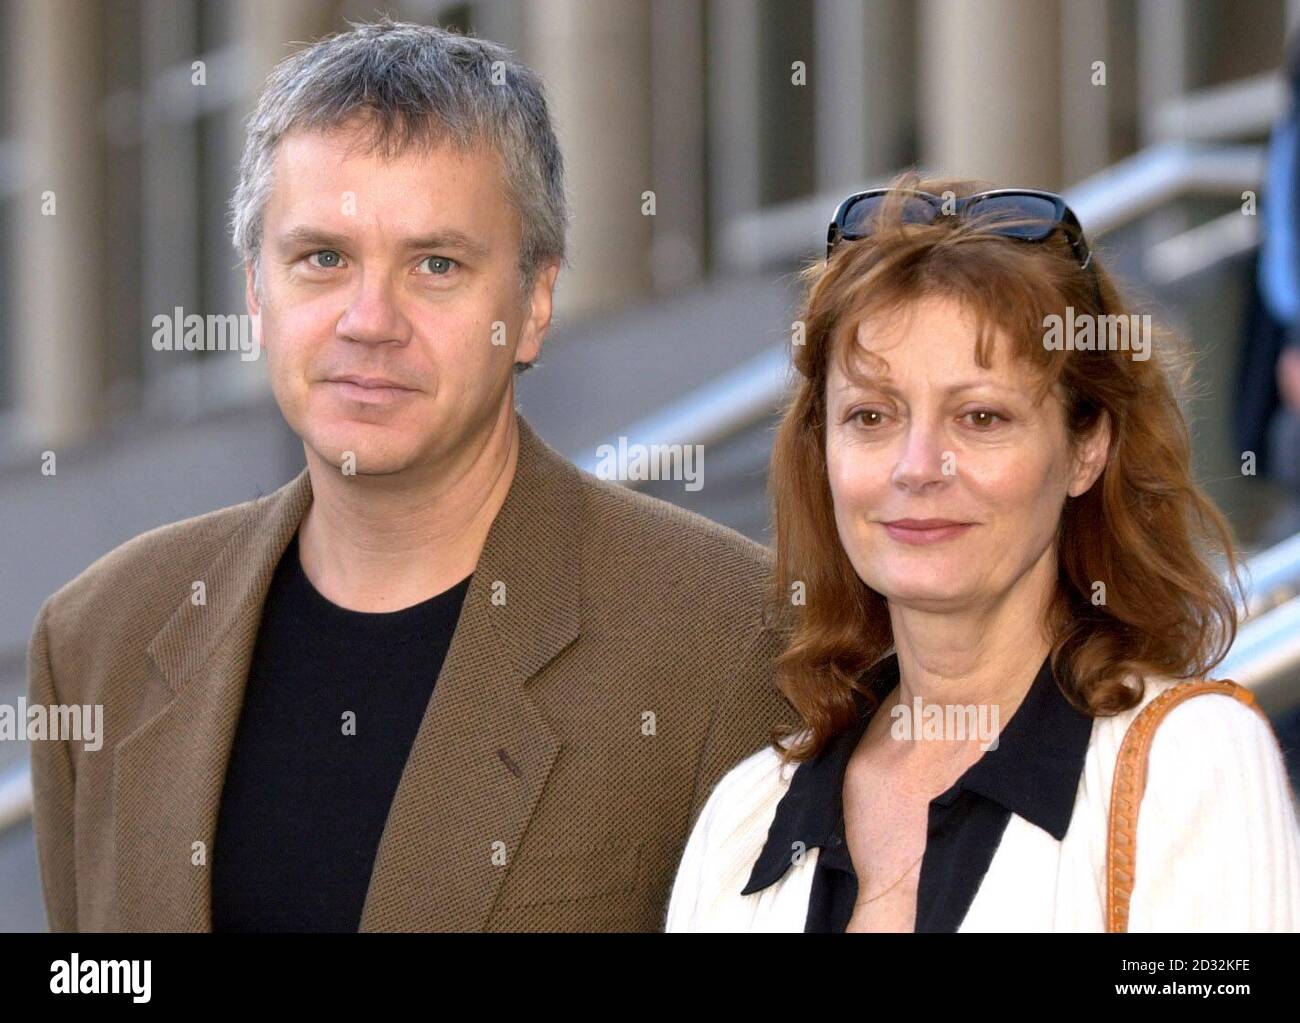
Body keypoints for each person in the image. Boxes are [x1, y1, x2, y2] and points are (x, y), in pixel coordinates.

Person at [26, 18, 790, 933]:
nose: (370, 320)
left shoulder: (730, 633)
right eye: (323, 259)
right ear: (256, 296)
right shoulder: (98, 641)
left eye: (436, 264)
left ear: (535, 301)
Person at [666, 172, 1300, 932]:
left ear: (1085, 448)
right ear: (821, 449)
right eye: (871, 415)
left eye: (981, 417)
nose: (918, 465)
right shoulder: (746, 816)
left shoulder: (1190, 767)